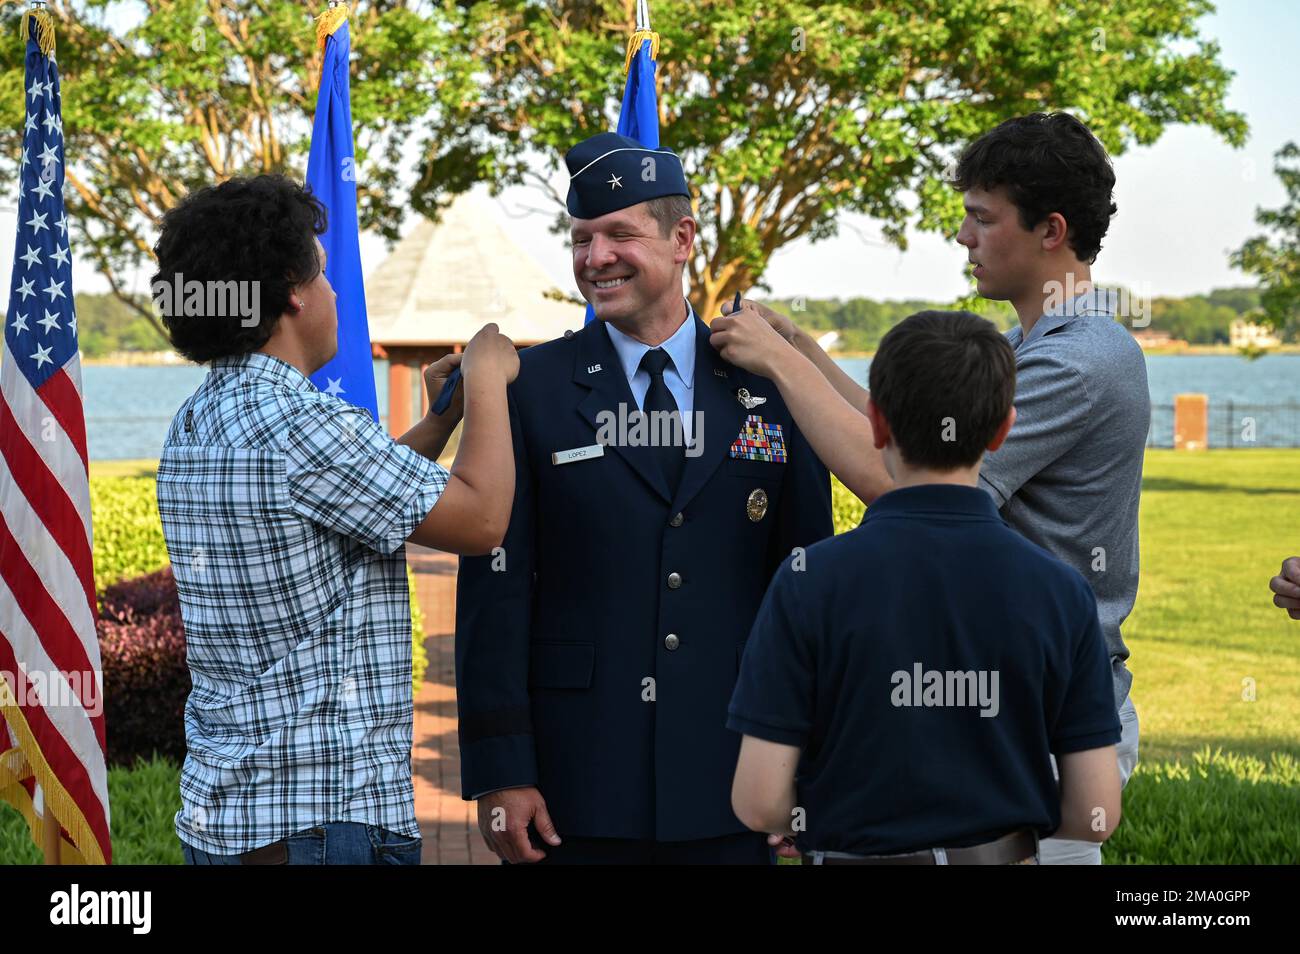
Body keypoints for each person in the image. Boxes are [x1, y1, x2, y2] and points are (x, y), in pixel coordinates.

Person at [711, 112, 1147, 864]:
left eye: (982, 219)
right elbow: (907, 427)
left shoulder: (1081, 359)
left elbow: (895, 473)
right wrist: (804, 350)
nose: (963, 237)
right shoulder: (1031, 344)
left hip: (1035, 704)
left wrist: (781, 372)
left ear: (1051, 229)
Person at [455, 132, 834, 865]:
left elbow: (805, 588)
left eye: (619, 234)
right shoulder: (531, 390)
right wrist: (501, 771)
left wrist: (806, 760)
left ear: (682, 238)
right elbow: (494, 592)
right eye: (581, 239)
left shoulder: (771, 386)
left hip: (733, 776)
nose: (595, 259)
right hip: (576, 784)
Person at [153, 174, 519, 865]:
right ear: (293, 289)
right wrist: (491, 379)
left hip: (231, 816)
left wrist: (443, 418)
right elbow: (480, 520)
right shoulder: (306, 425)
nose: (334, 294)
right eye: (322, 276)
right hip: (322, 821)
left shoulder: (198, 419)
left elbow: (357, 495)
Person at [729, 310, 1123, 865]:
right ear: (1003, 429)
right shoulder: (1062, 591)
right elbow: (1094, 812)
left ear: (876, 422)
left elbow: (759, 801)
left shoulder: (807, 582)